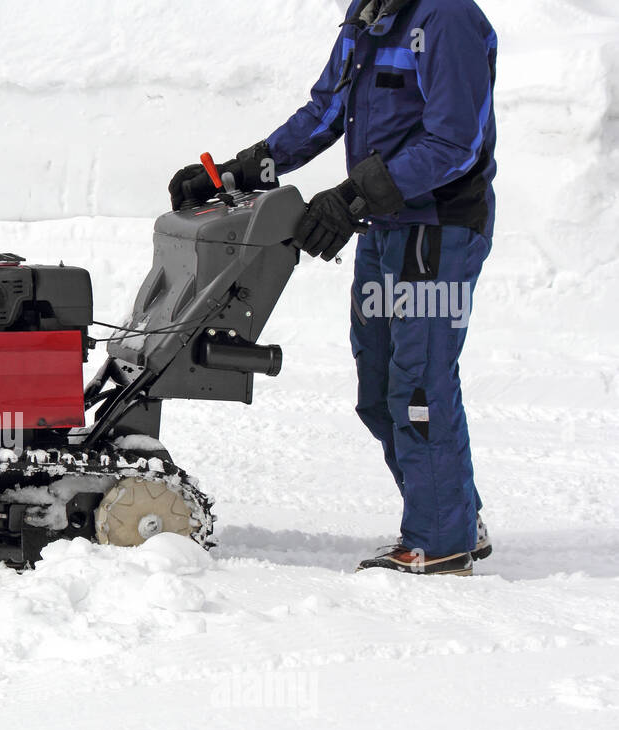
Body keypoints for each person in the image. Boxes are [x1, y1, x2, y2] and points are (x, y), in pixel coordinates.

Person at [169, 0, 497, 576]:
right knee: (377, 389)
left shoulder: (446, 19)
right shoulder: (367, 13)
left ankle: (441, 539)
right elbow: (327, 110)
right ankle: (453, 513)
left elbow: (454, 144)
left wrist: (350, 200)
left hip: (436, 230)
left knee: (417, 385)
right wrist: (242, 171)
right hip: (383, 226)